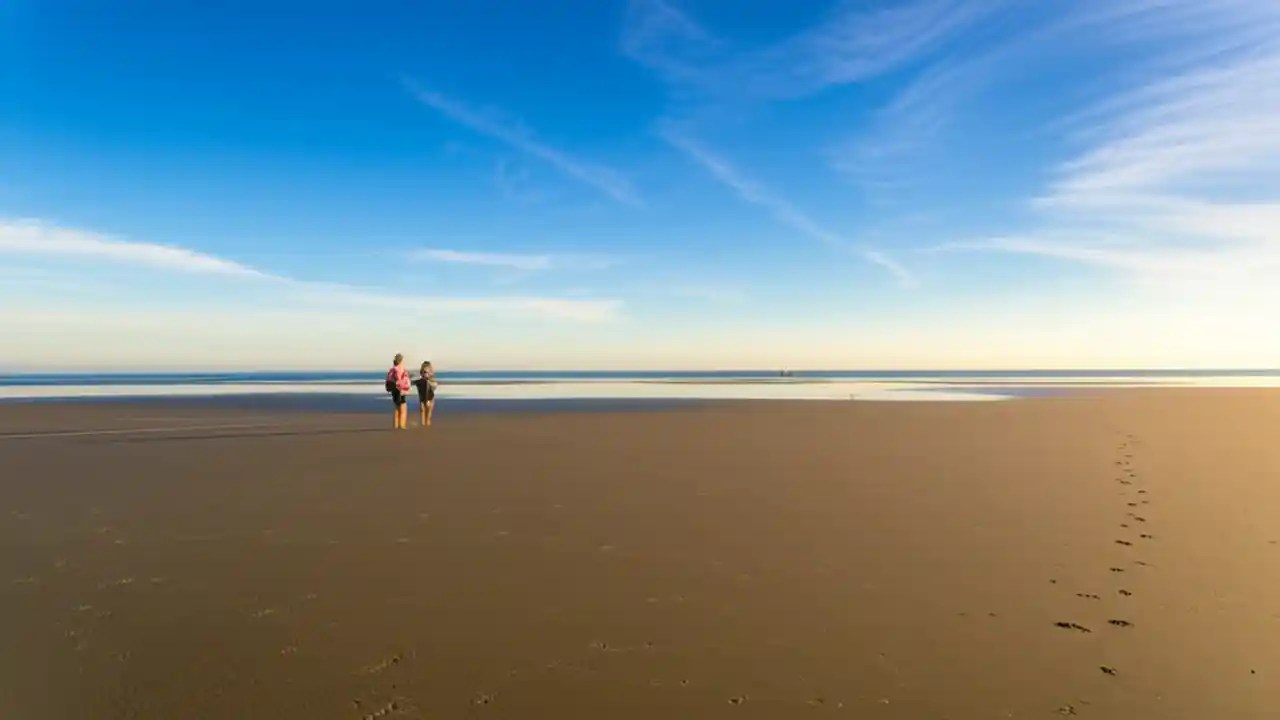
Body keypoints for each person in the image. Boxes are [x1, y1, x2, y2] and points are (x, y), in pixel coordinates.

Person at [385, 353, 411, 430]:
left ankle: (396, 425)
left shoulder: (392, 369)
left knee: (397, 408)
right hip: (400, 390)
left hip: (394, 390)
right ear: (401, 360)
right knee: (403, 408)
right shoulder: (400, 369)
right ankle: (402, 425)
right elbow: (400, 379)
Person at [413, 361, 438, 427]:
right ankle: (423, 425)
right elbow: (412, 382)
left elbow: (435, 386)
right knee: (422, 411)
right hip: (422, 399)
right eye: (424, 372)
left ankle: (427, 425)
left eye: (427, 372)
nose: (426, 374)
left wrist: (429, 382)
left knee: (429, 414)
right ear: (421, 372)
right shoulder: (420, 381)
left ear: (430, 372)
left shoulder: (432, 380)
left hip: (430, 398)